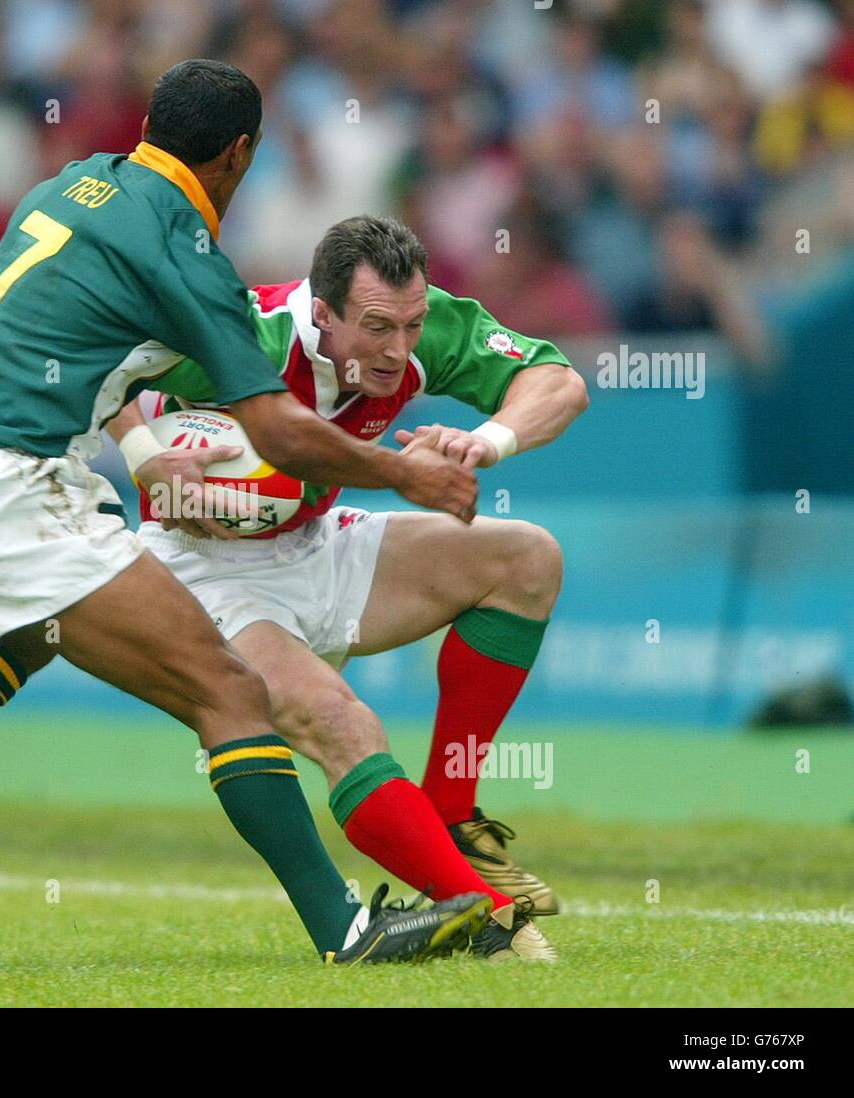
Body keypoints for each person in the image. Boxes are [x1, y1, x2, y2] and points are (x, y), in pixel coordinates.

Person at [0, 61, 489, 965]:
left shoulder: (73, 182)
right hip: (3, 489)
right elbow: (281, 432)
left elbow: (85, 334)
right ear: (240, 153)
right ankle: (349, 930)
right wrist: (403, 477)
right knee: (229, 690)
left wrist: (143, 450)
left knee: (37, 628)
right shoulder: (188, 256)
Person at [109, 215, 589, 959]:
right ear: (322, 312)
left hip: (313, 542)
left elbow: (560, 383)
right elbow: (86, 351)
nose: (400, 349)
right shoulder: (241, 332)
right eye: (376, 327)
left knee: (529, 559)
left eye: (412, 324)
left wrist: (480, 441)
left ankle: (451, 814)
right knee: (343, 726)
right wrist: (144, 456)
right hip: (203, 570)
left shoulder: (417, 333)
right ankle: (493, 919)